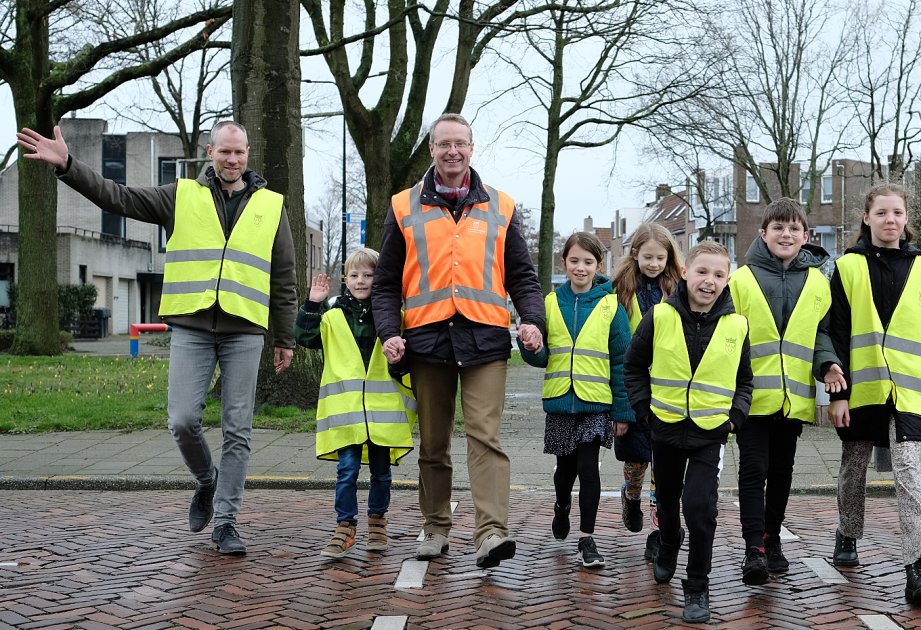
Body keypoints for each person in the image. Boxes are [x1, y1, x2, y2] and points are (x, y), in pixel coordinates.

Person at [17, 121, 298, 555]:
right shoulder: (180, 195)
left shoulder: (271, 205)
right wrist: (69, 165)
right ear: (210, 152)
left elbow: (283, 278)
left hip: (245, 329)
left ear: (248, 154)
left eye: (239, 153)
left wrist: (286, 338)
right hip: (192, 326)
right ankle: (208, 481)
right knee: (182, 421)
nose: (232, 160)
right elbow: (119, 197)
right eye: (225, 152)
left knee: (237, 430)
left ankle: (226, 523)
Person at [373, 113, 545, 569]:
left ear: (472, 148)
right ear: (431, 149)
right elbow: (387, 282)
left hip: (485, 339)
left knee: (485, 436)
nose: (453, 151)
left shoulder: (502, 207)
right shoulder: (403, 205)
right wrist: (389, 332)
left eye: (460, 144)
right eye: (444, 144)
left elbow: (523, 277)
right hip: (426, 340)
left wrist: (532, 320)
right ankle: (434, 526)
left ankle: (491, 533)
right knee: (433, 442)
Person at [826, 182, 921, 603]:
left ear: (907, 220)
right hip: (861, 389)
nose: (890, 220)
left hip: (910, 391)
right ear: (866, 218)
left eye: (898, 213)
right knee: (855, 468)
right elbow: (835, 331)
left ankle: (917, 565)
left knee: (908, 473)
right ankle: (848, 531)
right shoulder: (846, 268)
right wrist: (837, 393)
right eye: (882, 213)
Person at [624, 240, 753, 624]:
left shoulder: (737, 325)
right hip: (663, 430)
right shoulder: (660, 317)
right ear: (685, 273)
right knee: (666, 502)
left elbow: (745, 381)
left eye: (718, 274)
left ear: (726, 279)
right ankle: (667, 544)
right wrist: (645, 411)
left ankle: (697, 585)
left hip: (709, 435)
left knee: (700, 510)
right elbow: (633, 366)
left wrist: (735, 418)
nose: (709, 281)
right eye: (702, 272)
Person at [727, 198, 843, 584]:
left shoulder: (817, 282)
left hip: (794, 400)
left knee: (781, 474)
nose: (786, 234)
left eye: (794, 228)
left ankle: (771, 537)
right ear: (763, 234)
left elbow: (820, 333)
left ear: (806, 236)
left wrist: (827, 364)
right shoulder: (740, 280)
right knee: (753, 470)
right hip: (751, 399)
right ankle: (753, 549)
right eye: (778, 228)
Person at [520, 232, 633, 568]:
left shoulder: (611, 306)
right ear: (564, 262)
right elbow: (542, 358)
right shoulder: (550, 303)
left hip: (595, 404)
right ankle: (561, 506)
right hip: (559, 402)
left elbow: (622, 361)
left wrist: (623, 412)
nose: (580, 268)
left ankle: (587, 538)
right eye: (574, 261)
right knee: (564, 471)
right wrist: (534, 348)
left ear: (599, 265)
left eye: (588, 262)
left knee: (589, 469)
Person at [294, 248, 415, 559]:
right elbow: (305, 337)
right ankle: (345, 526)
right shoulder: (332, 317)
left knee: (381, 472)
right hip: (346, 414)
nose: (361, 281)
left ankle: (377, 520)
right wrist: (312, 303)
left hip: (382, 413)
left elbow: (404, 361)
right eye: (355, 275)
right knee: (346, 471)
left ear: (380, 279)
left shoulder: (393, 318)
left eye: (369, 275)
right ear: (344, 280)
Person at [610, 222, 684, 558]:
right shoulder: (620, 292)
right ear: (635, 254)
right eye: (648, 257)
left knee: (664, 466)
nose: (654, 264)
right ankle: (631, 496)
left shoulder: (678, 289)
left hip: (668, 391)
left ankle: (659, 531)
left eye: (660, 257)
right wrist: (620, 409)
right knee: (637, 459)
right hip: (633, 388)